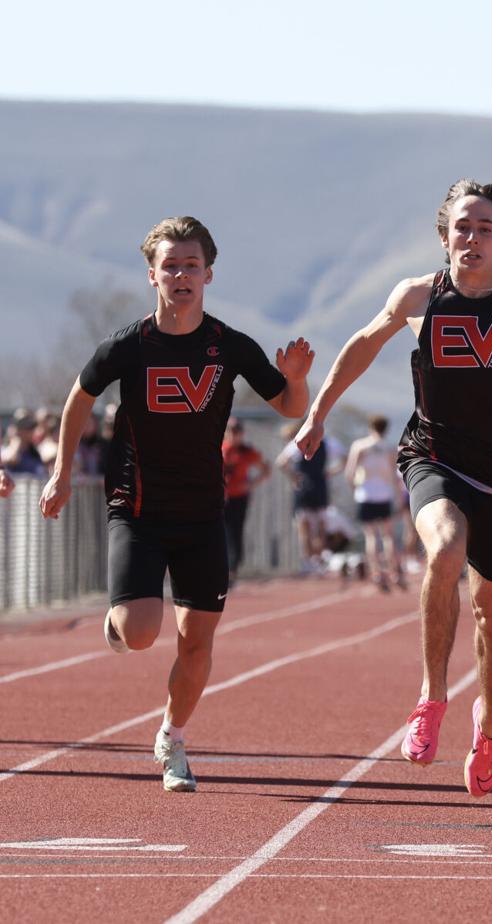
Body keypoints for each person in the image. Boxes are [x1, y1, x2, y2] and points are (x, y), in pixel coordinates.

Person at [293, 179, 492, 798]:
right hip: (434, 456)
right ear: (444, 234)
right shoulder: (419, 295)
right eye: (462, 227)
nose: (471, 239)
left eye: (485, 229)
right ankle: (431, 696)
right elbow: (362, 345)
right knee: (444, 549)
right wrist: (317, 412)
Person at [38, 216, 312, 792]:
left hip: (201, 514)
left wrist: (297, 379)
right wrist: (63, 472)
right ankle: (119, 625)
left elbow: (288, 407)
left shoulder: (229, 345)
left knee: (197, 642)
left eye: (191, 265)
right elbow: (78, 400)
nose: (181, 274)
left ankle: (173, 738)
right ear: (152, 275)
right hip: (136, 508)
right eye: (171, 265)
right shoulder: (127, 346)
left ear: (208, 273)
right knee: (140, 633)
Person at [346, 415, 405, 591]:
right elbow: (395, 476)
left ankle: (377, 573)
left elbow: (350, 472)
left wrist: (355, 489)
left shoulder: (360, 446)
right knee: (388, 536)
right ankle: (394, 573)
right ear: (386, 429)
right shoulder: (389, 447)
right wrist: (398, 497)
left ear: (371, 427)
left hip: (365, 495)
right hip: (384, 496)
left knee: (371, 536)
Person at [278, 422, 343, 573]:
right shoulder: (328, 443)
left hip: (304, 487)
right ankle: (318, 561)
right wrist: (331, 472)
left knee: (304, 527)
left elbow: (281, 462)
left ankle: (310, 562)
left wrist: (294, 477)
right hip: (319, 486)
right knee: (320, 526)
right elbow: (344, 458)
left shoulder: (298, 443)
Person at [221, 418, 271, 581]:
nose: (234, 435)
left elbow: (266, 469)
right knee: (219, 532)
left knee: (236, 531)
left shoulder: (248, 452)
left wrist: (250, 485)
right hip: (220, 499)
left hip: (238, 497)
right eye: (231, 431)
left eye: (237, 431)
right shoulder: (220, 448)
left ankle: (232, 568)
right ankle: (221, 567)